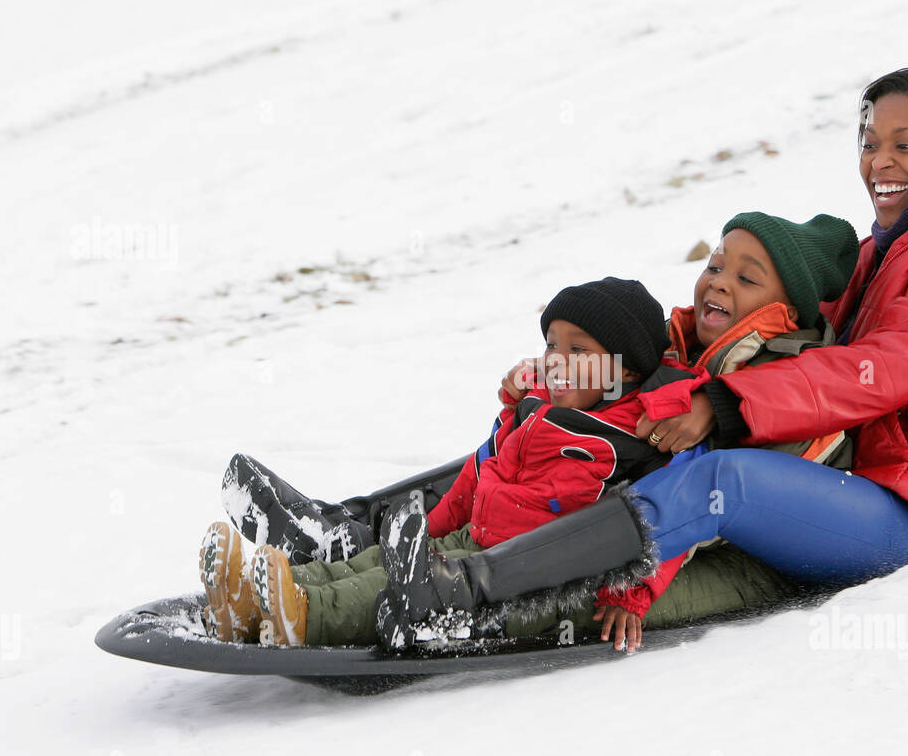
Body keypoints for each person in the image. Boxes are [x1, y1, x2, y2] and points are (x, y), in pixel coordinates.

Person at [370, 66, 908, 650]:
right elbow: (776, 333)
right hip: (860, 480)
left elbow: (887, 369)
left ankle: (464, 593)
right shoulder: (890, 248)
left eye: (907, 145)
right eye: (871, 143)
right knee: (581, 416)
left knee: (719, 479)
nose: (880, 162)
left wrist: (724, 406)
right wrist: (622, 363)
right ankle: (360, 531)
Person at [376, 211, 859, 648]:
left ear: (787, 312)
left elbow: (696, 498)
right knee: (520, 453)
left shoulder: (793, 387)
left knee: (579, 597)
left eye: (746, 278)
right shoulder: (690, 347)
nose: (719, 283)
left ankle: (448, 608)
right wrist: (540, 386)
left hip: (735, 558)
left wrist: (632, 588)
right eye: (713, 267)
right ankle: (356, 531)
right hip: (627, 532)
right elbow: (603, 400)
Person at [201, 277, 699, 647]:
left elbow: (668, 521)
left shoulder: (640, 435)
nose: (555, 360)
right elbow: (484, 474)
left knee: (387, 586)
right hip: (477, 536)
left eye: (578, 350)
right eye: (551, 345)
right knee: (374, 562)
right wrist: (434, 526)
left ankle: (303, 615)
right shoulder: (544, 410)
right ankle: (257, 595)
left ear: (626, 368)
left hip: (526, 569)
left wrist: (631, 595)